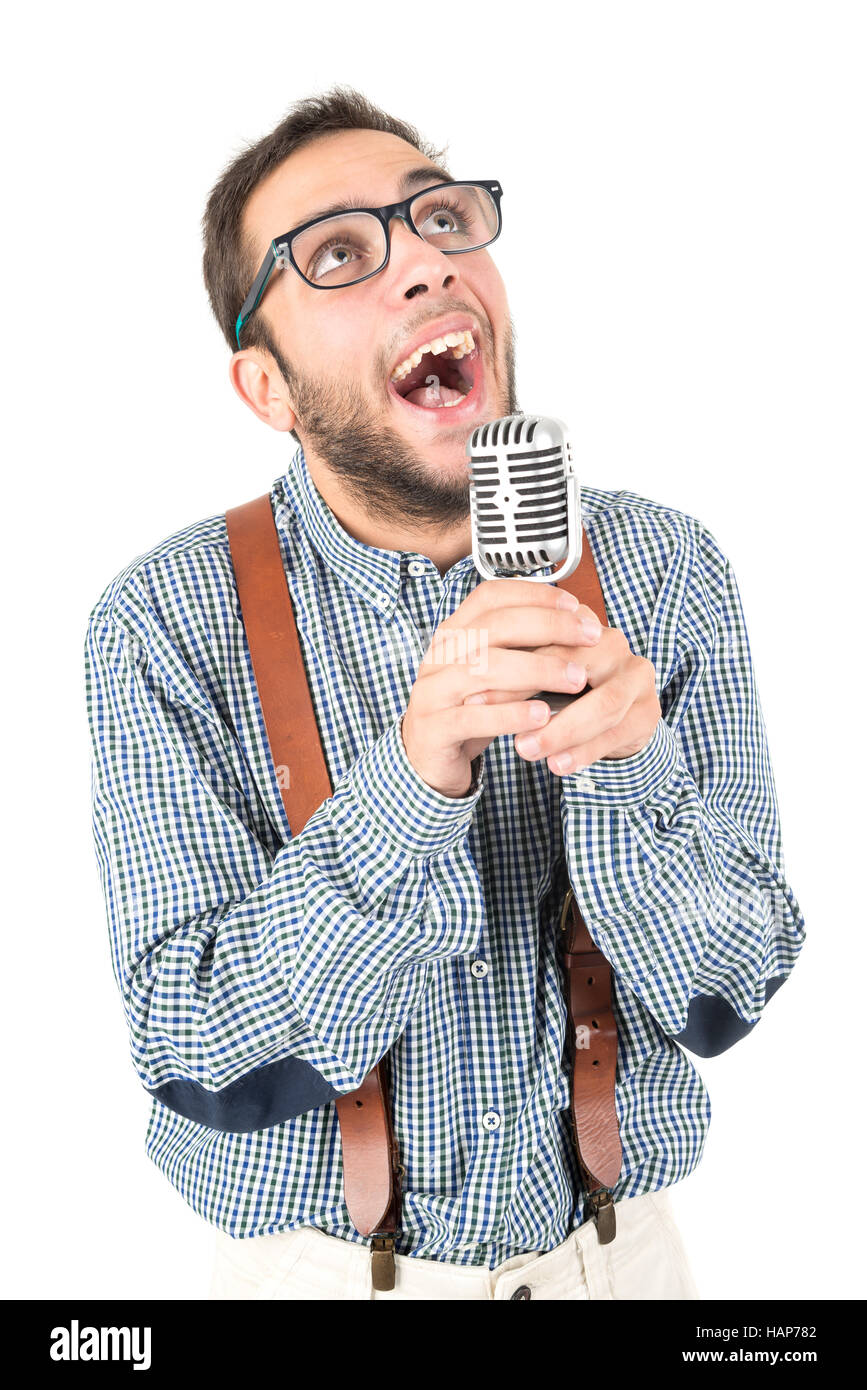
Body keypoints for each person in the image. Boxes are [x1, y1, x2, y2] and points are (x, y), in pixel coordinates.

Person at [84, 87, 806, 1301]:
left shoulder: (665, 569)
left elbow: (732, 987)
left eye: (443, 219)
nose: (424, 260)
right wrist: (410, 786)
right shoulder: (162, 622)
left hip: (621, 1268)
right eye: (339, 253)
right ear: (267, 389)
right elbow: (197, 1047)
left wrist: (635, 771)